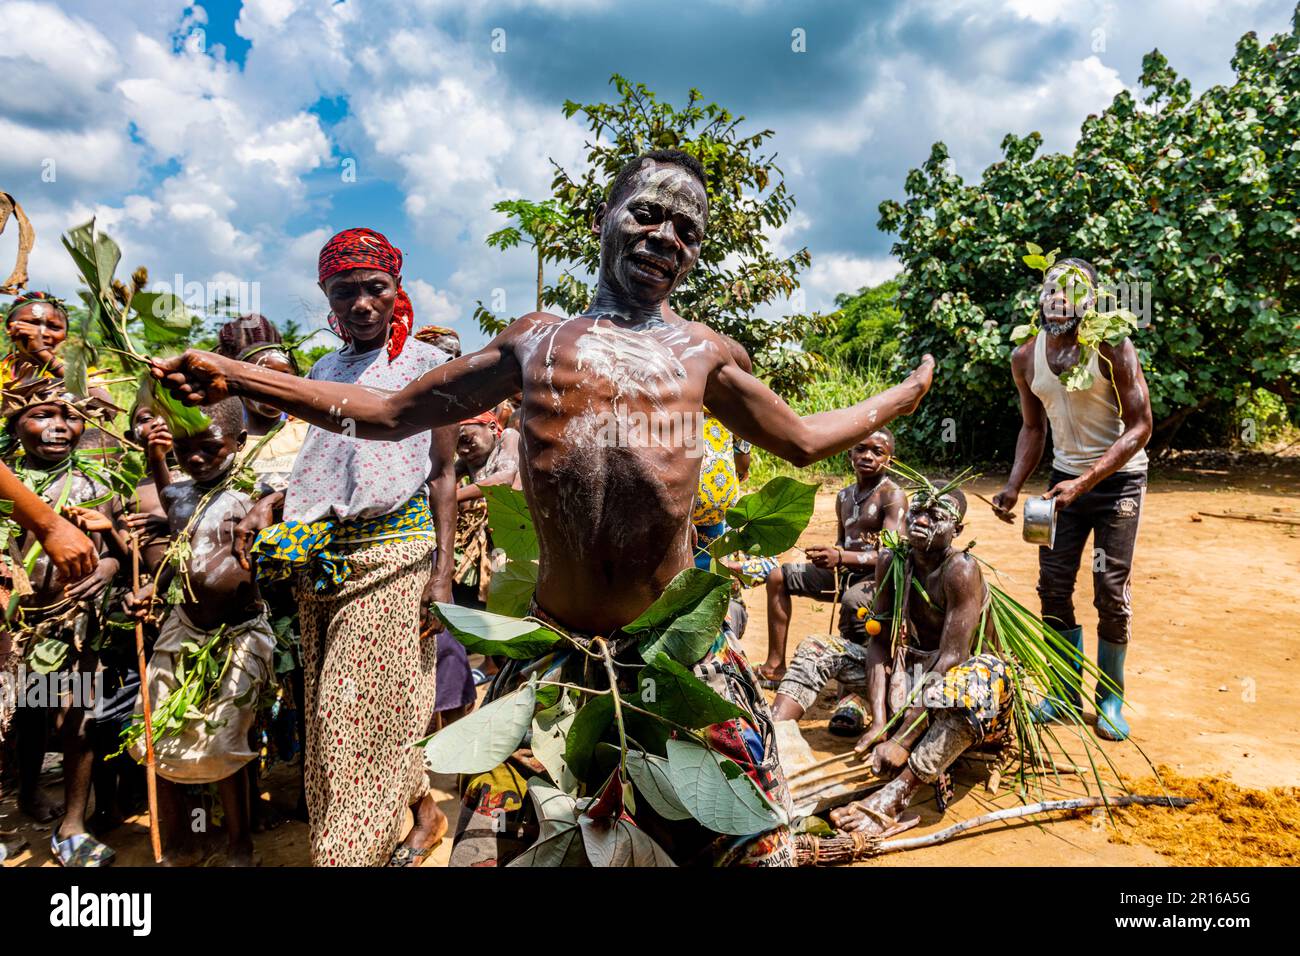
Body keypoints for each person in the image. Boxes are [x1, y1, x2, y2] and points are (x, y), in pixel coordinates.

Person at [152, 149, 936, 866]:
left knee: (744, 847)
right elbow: (386, 413)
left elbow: (800, 439)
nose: (666, 236)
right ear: (604, 220)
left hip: (677, 659)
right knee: (493, 850)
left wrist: (900, 397)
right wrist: (241, 377)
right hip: (556, 661)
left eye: (687, 229)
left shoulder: (703, 353)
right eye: (647, 213)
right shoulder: (535, 343)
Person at [215, 228, 459, 867]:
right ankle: (424, 812)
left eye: (375, 288)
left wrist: (442, 570)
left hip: (395, 556)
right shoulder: (321, 373)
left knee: (350, 719)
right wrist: (271, 504)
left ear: (395, 289)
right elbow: (317, 469)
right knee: (345, 714)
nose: (361, 303)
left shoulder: (429, 370)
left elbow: (441, 473)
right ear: (327, 296)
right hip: (320, 563)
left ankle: (346, 857)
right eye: (344, 291)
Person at [989, 258, 1152, 740]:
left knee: (1109, 590)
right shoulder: (1025, 356)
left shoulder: (1111, 344)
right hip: (1063, 485)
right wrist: (1014, 484)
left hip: (1118, 482)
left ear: (1091, 300)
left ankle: (1110, 699)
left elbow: (1142, 427)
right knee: (1053, 588)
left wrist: (1085, 483)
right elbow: (1033, 427)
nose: (1058, 297)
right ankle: (1061, 694)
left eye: (1071, 289)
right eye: (1050, 288)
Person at [122, 397, 272, 866]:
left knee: (224, 739)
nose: (196, 458)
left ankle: (238, 845)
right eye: (184, 448)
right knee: (159, 733)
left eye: (209, 446)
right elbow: (177, 554)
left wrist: (270, 503)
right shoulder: (176, 495)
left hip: (239, 632)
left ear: (239, 442)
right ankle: (185, 839)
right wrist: (150, 587)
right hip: (182, 629)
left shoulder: (254, 493)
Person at [825, 486, 1010, 837]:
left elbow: (953, 661)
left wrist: (903, 739)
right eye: (917, 512)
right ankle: (775, 749)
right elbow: (879, 639)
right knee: (819, 649)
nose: (921, 520)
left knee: (977, 678)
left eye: (936, 516)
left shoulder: (962, 570)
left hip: (968, 699)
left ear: (957, 531)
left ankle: (895, 796)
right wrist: (880, 719)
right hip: (913, 682)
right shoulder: (892, 560)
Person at [1, 377, 122, 865]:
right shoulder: (7, 480)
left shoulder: (97, 484)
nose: (58, 428)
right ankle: (26, 796)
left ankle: (73, 825)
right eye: (42, 416)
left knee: (78, 719)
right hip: (13, 631)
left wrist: (109, 567)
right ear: (15, 425)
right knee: (21, 721)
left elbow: (116, 550)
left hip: (72, 624)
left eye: (70, 417)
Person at [756, 430, 905, 713]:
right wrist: (830, 557)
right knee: (778, 577)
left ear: (890, 461)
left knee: (852, 602)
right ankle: (775, 666)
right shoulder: (844, 495)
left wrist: (840, 556)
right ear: (849, 453)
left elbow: (891, 554)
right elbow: (842, 541)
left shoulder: (892, 496)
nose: (868, 456)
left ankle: (852, 693)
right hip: (844, 571)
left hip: (876, 581)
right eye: (861, 449)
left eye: (877, 452)